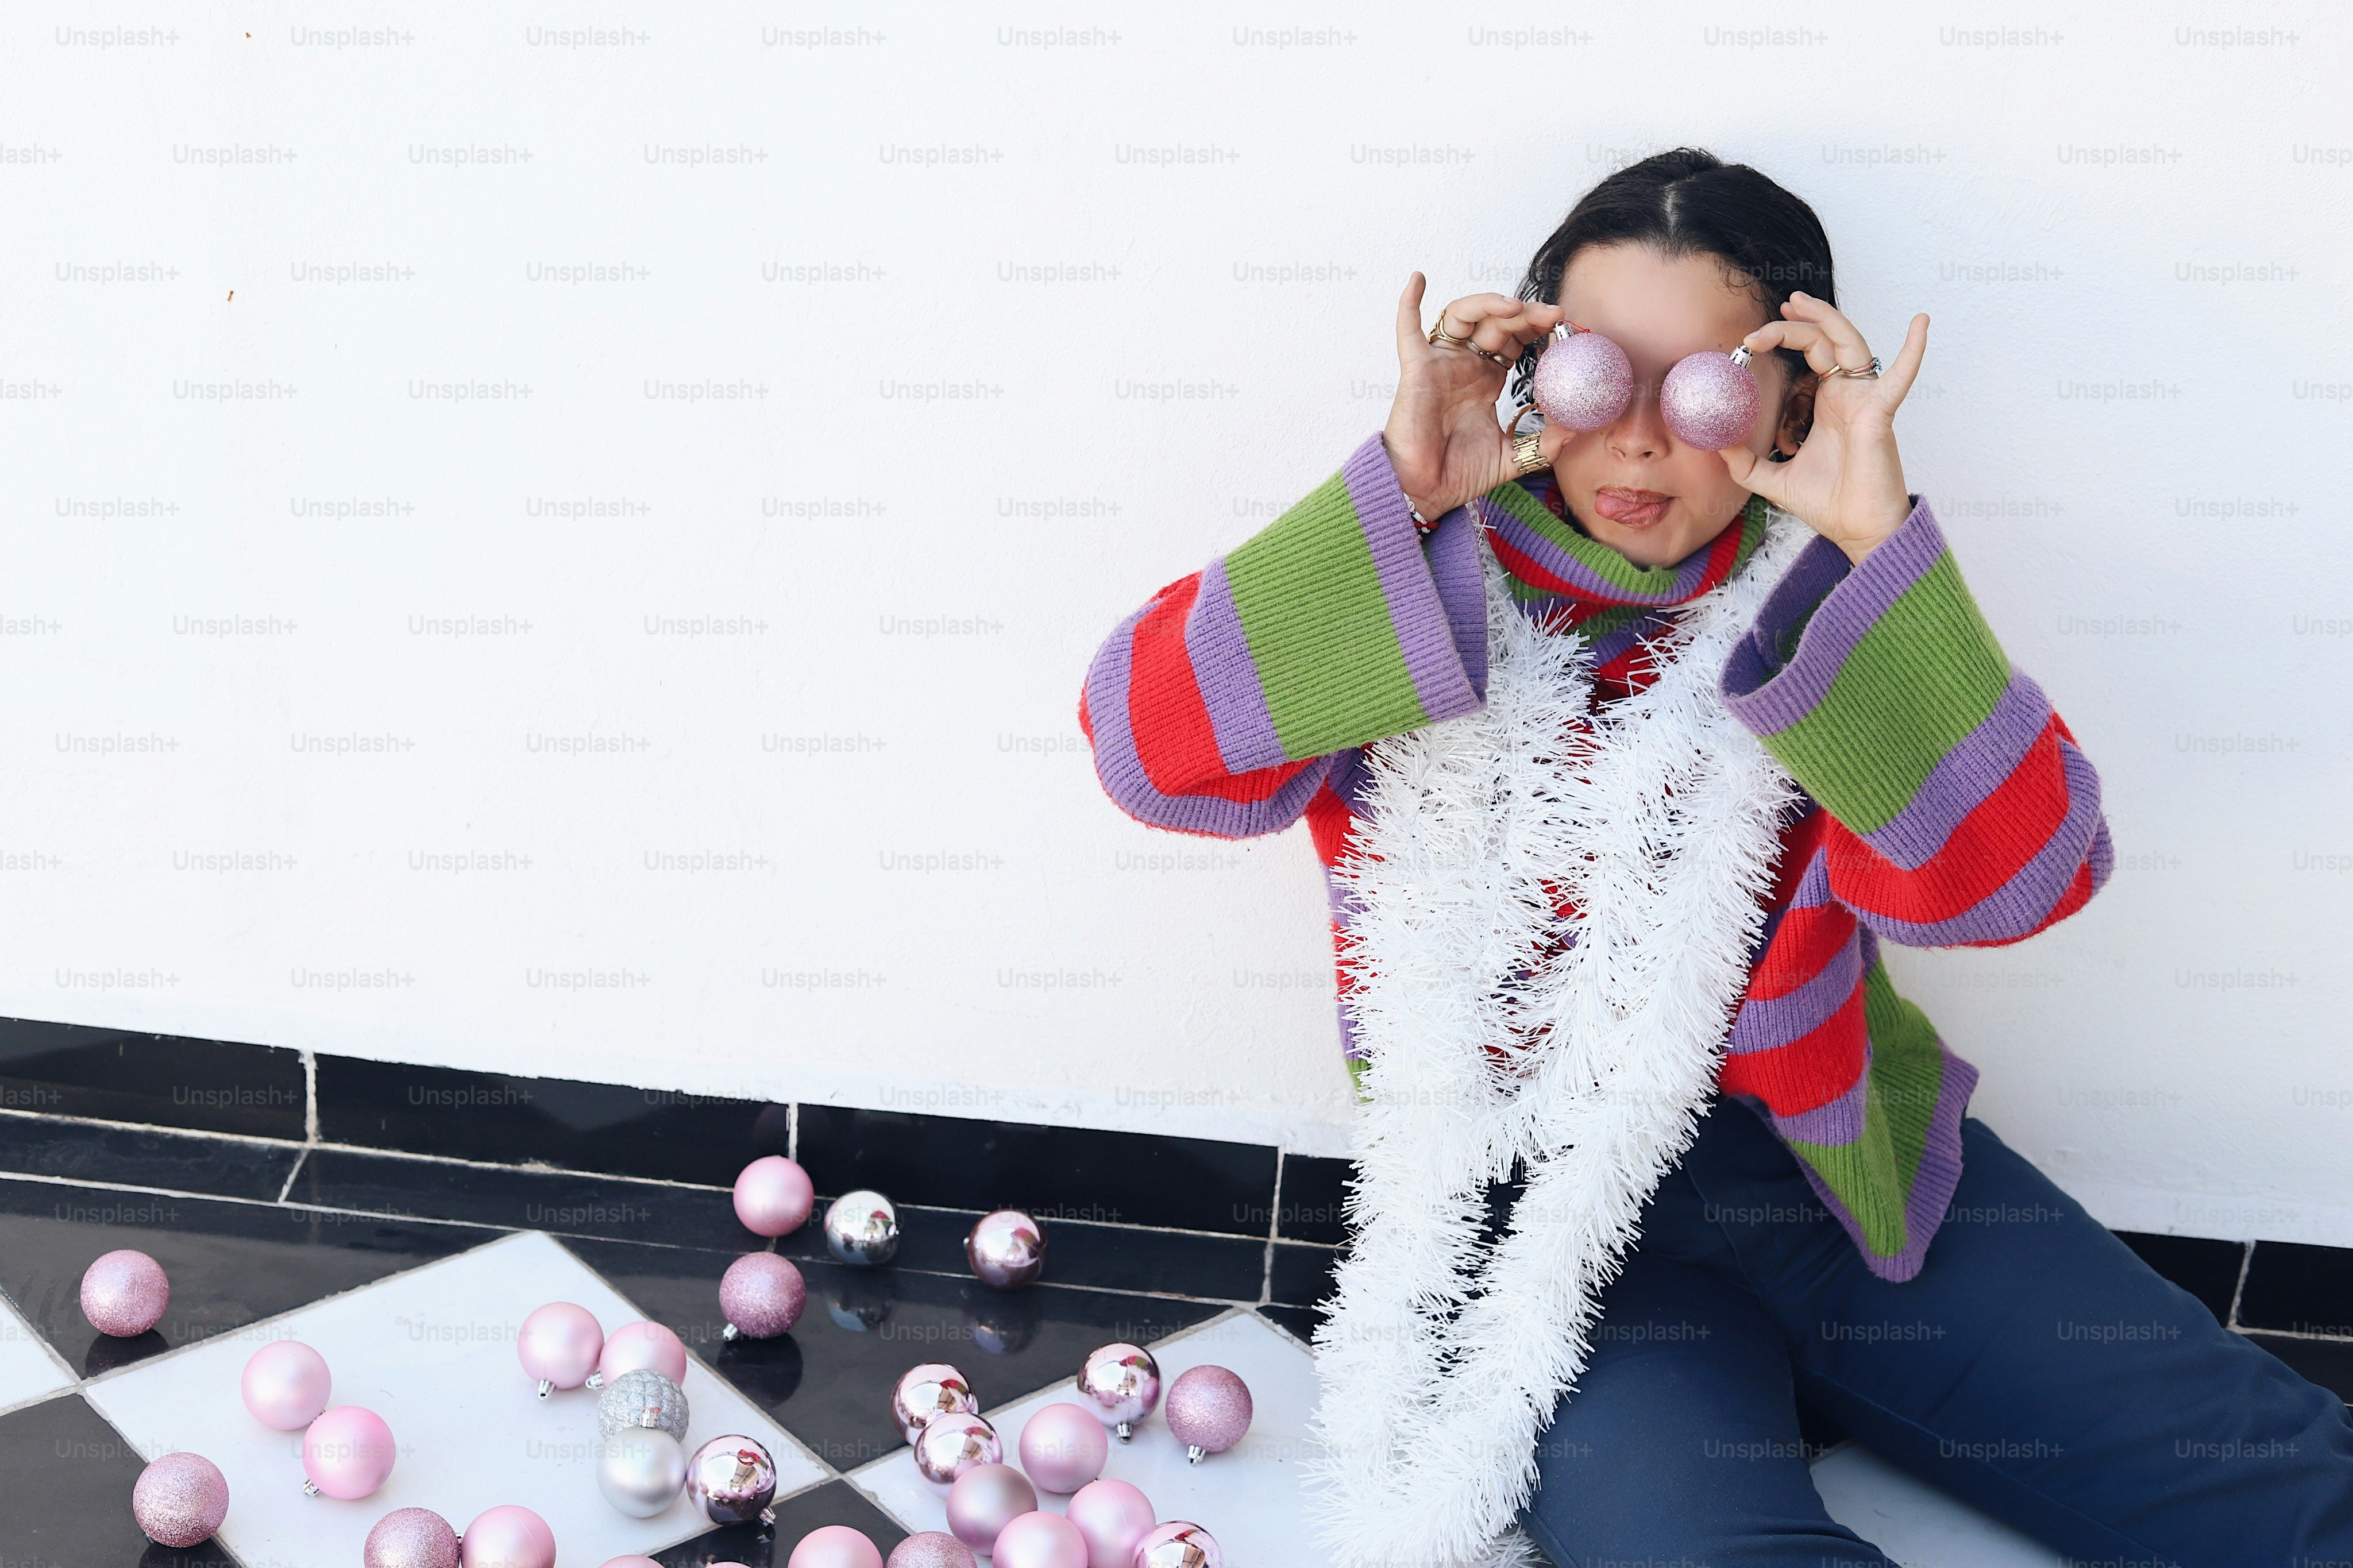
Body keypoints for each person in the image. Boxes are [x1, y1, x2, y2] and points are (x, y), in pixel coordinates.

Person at [1078, 148, 2353, 1566]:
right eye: (1593, 376)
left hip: (1831, 1174)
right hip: (1556, 1239)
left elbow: (2022, 879)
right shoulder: (1401, 587)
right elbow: (1150, 754)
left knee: (2284, 1488)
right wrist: (1396, 482)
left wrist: (1876, 542)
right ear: (1526, 373)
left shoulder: (1829, 612)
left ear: (1783, 406)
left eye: (1698, 393)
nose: (1635, 445)